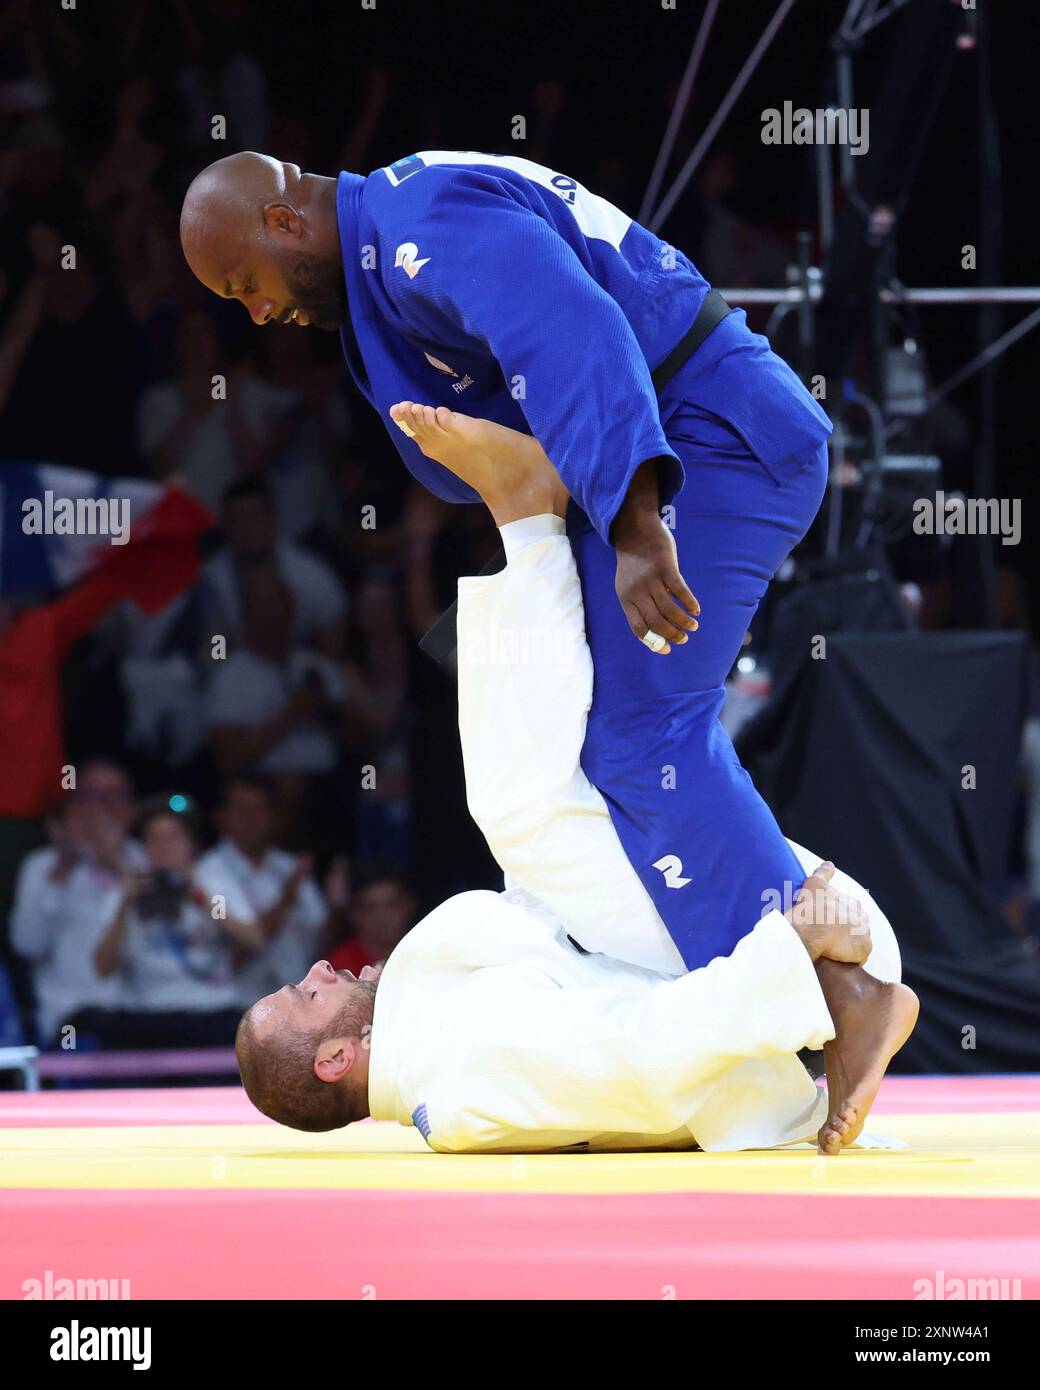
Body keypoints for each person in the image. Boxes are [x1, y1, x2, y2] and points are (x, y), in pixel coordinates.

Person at [179, 148, 832, 972]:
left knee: (640, 733)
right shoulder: (381, 257)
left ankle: (824, 987)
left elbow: (571, 332)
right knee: (563, 740)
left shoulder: (419, 223)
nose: (259, 314)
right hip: (639, 463)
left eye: (246, 286)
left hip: (710, 435)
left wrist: (635, 529)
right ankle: (741, 979)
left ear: (282, 221)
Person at [237, 446, 918, 1156]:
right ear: (336, 1059)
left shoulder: (433, 1032)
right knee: (528, 815)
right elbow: (640, 1055)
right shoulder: (461, 1077)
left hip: (760, 930)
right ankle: (531, 519)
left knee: (574, 779)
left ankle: (546, 522)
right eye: (306, 996)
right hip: (807, 945)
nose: (318, 969)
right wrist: (793, 948)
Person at [90, 797, 264, 1047]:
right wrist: (124, 907)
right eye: (154, 838)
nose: (164, 847)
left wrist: (200, 897)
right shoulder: (127, 890)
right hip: (147, 1014)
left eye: (173, 837)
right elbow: (102, 968)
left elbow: (255, 940)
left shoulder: (213, 882)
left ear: (192, 844)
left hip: (210, 1011)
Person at [9, 760, 143, 1046]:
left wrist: (116, 865)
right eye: (92, 796)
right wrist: (62, 871)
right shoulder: (42, 866)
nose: (102, 808)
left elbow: (160, 942)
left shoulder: (145, 860)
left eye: (114, 797)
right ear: (72, 805)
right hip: (68, 1020)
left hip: (140, 1015)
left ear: (132, 809)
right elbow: (26, 945)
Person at [196, 776, 326, 1008]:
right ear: (221, 816)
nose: (251, 818)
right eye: (241, 809)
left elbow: (321, 936)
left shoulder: (291, 867)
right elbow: (238, 950)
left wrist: (337, 906)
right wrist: (284, 903)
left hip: (299, 1004)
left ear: (274, 817)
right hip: (234, 1006)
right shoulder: (205, 873)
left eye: (260, 809)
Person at [326, 862, 416, 977]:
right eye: (370, 907)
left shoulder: (429, 956)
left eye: (391, 905)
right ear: (354, 914)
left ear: (409, 905)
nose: (381, 917)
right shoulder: (338, 971)